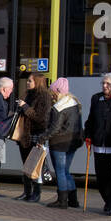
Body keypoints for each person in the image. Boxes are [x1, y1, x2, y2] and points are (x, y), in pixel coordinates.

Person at [84, 72, 111, 216]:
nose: (104, 86)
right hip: (99, 145)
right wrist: (88, 135)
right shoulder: (96, 98)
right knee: (102, 178)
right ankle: (108, 201)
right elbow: (91, 119)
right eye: (103, 83)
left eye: (108, 84)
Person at [45, 78, 83, 210]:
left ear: (57, 92)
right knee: (66, 171)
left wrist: (43, 137)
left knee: (60, 171)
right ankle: (73, 200)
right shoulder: (74, 103)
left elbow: (55, 128)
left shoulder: (58, 107)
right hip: (73, 142)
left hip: (59, 142)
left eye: (53, 92)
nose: (52, 94)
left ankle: (62, 201)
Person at [13, 73, 51, 203]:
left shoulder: (44, 96)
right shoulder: (27, 94)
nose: (27, 83)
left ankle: (36, 193)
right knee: (26, 164)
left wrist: (25, 107)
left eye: (30, 81)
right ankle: (26, 192)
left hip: (37, 134)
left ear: (37, 82)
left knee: (35, 164)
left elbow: (40, 118)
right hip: (25, 134)